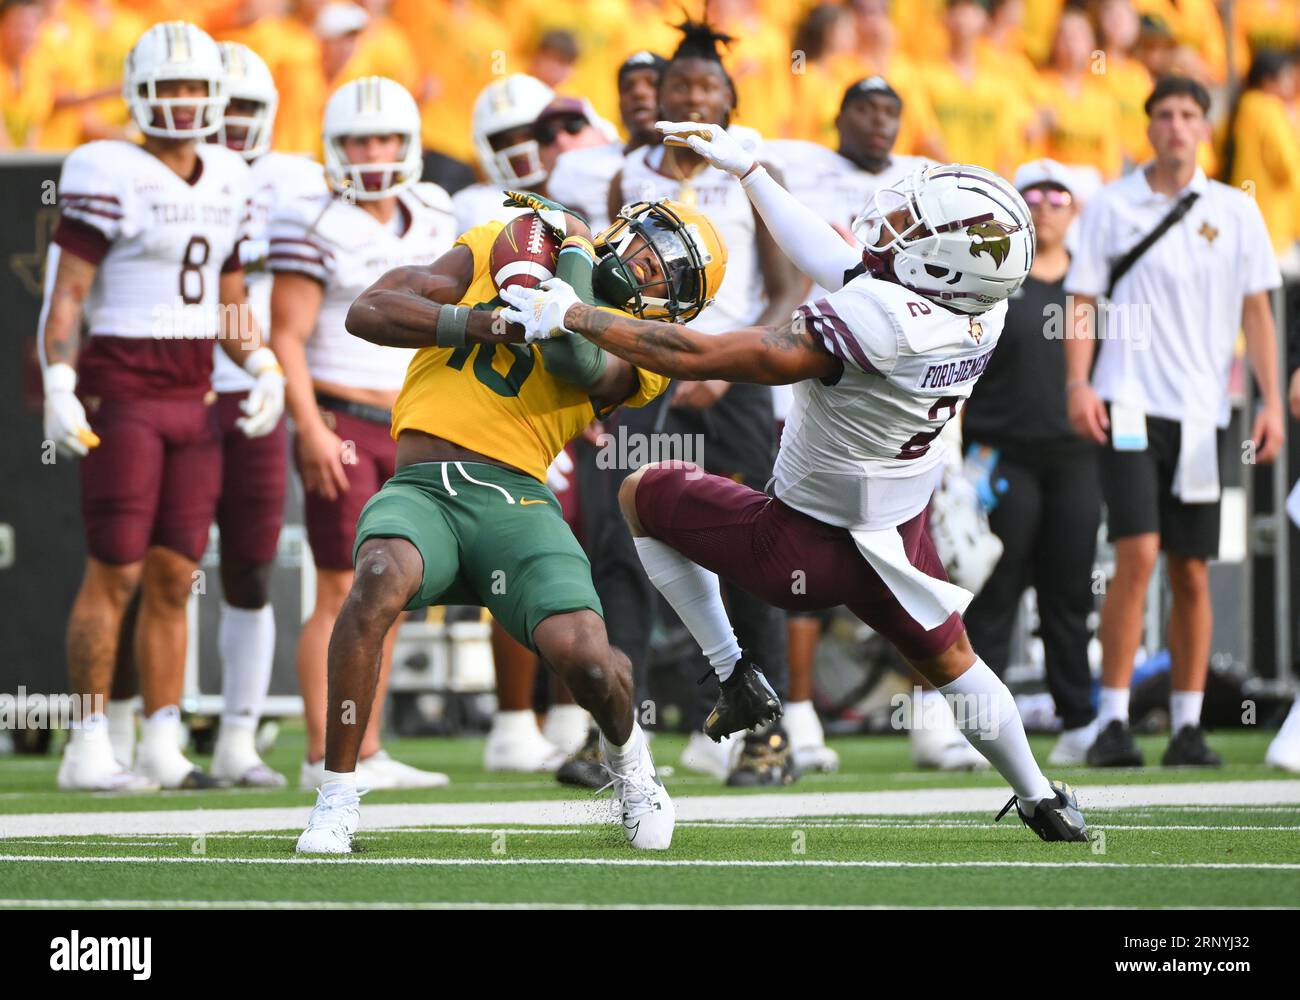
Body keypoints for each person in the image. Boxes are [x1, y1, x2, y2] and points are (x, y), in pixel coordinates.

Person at [503, 122, 1090, 843]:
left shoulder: (883, 322)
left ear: (941, 267)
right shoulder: (982, 308)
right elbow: (842, 262)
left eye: (915, 227)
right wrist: (753, 173)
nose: (895, 223)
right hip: (900, 535)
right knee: (953, 661)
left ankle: (733, 672)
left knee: (640, 493)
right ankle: (1042, 799)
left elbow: (699, 353)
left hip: (804, 540)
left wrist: (574, 314)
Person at [294, 192, 729, 854]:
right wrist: (484, 321)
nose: (645, 267)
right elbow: (368, 310)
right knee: (376, 582)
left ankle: (630, 763)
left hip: (515, 500)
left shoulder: (642, 353)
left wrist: (574, 258)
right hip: (421, 487)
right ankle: (336, 796)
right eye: (648, 246)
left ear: (678, 304)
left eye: (666, 273)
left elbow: (571, 359)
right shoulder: (503, 241)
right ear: (628, 228)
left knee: (586, 660)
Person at [42, 20, 284, 791]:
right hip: (125, 387)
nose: (181, 102)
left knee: (177, 574)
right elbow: (67, 293)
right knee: (114, 569)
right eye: (168, 86)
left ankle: (161, 740)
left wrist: (263, 359)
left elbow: (231, 297)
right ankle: (86, 744)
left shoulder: (231, 177)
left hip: (197, 391)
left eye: (192, 87)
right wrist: (57, 372)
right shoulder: (106, 168)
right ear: (138, 91)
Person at [605, 17, 806, 786]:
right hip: (652, 380)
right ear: (656, 95)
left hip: (735, 382)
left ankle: (768, 736)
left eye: (706, 87)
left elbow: (791, 275)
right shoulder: (632, 175)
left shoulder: (754, 167)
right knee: (629, 542)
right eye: (678, 86)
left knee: (754, 546)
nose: (692, 96)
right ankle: (620, 733)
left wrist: (746, 352)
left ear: (728, 100)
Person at [1064, 76, 1284, 768]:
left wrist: (1271, 400)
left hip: (1201, 412)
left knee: (1190, 568)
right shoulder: (1111, 205)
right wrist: (1077, 382)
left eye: (1190, 114)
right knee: (1135, 556)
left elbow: (1258, 310)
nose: (1177, 126)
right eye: (1164, 114)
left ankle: (1188, 726)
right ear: (1149, 126)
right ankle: (1114, 721)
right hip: (1127, 400)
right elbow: (1082, 298)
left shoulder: (1235, 211)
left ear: (1204, 128)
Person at [768, 75, 981, 774]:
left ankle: (930, 719)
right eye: (865, 107)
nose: (879, 121)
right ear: (839, 114)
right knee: (800, 559)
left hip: (901, 399)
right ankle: (796, 717)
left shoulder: (927, 181)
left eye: (892, 109)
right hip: (816, 383)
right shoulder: (799, 164)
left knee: (923, 565)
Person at [268, 75, 454, 791]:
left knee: (395, 584)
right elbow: (286, 336)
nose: (371, 153)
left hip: (415, 423)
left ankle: (366, 748)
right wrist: (309, 426)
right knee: (339, 587)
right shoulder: (313, 219)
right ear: (331, 146)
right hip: (341, 418)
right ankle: (323, 754)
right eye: (356, 140)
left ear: (408, 144)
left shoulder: (434, 212)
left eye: (382, 138)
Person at [201, 41, 329, 787]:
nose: (230, 121)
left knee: (250, 562)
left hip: (258, 385)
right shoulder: (147, 174)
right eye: (219, 108)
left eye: (244, 107)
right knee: (149, 562)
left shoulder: (296, 181)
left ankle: (237, 738)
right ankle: (122, 728)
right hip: (175, 382)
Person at [963, 159, 1101, 766]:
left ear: (1075, 207)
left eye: (1058, 193)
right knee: (995, 587)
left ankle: (1080, 719)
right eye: (1033, 193)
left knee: (1069, 590)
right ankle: (982, 725)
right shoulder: (989, 277)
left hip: (1074, 457)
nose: (1045, 203)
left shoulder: (1091, 284)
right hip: (1001, 453)